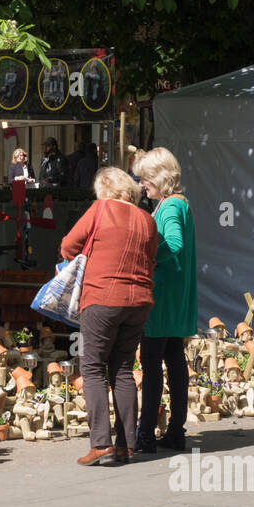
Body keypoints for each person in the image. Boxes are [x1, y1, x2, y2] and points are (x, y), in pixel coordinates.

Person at [59, 166, 158, 466]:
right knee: (124, 368)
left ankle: (100, 443)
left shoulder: (100, 209)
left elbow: (67, 247)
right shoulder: (146, 219)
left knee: (91, 367)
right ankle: (126, 445)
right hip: (139, 300)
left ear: (105, 190)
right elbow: (153, 257)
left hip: (102, 297)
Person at [132, 148, 197, 453]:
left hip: (161, 297)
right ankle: (175, 430)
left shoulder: (169, 207)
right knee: (175, 362)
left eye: (145, 177)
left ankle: (145, 432)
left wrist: (146, 257)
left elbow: (173, 243)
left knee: (152, 364)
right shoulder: (180, 204)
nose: (141, 184)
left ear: (158, 177)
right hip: (177, 294)